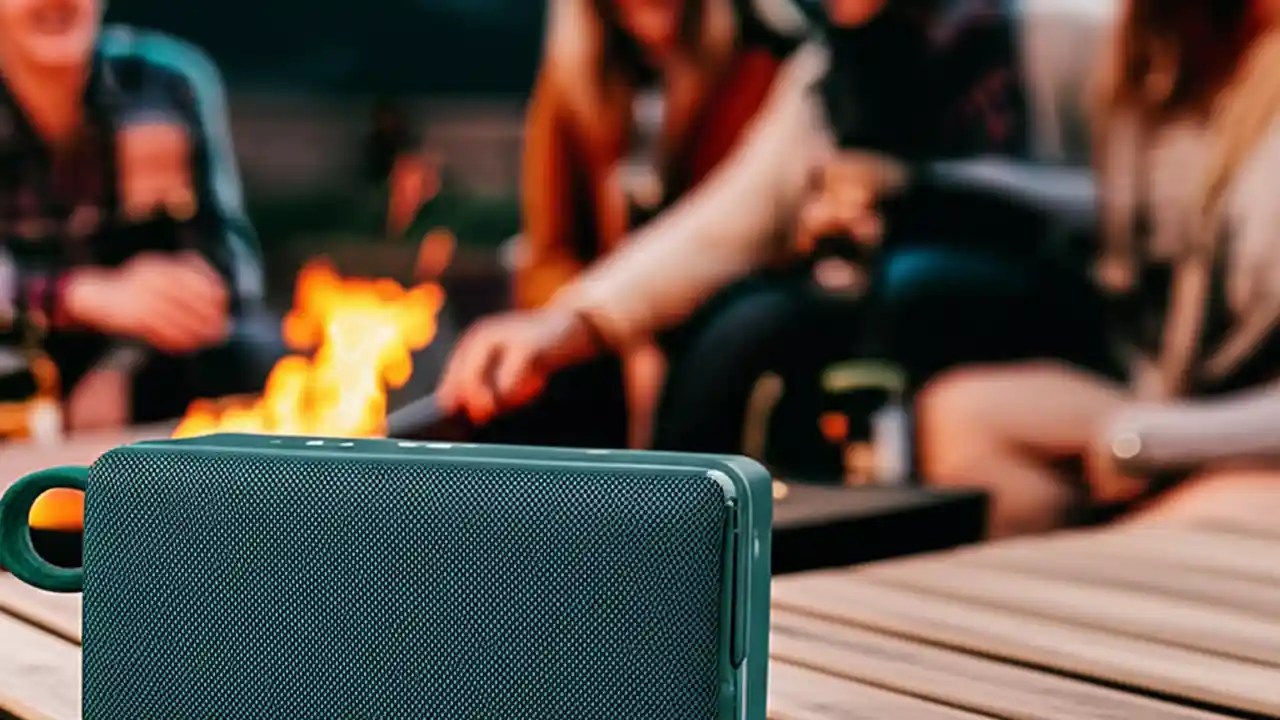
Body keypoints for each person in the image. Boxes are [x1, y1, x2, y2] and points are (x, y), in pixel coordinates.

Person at [436, 0, 1116, 448]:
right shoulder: (832, 74)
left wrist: (932, 195)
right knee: (739, 336)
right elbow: (724, 224)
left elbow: (1131, 214)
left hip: (1073, 323)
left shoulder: (1051, 40)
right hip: (892, 314)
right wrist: (568, 323)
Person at [919, 0, 1280, 537]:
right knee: (962, 414)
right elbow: (1141, 227)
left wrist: (1148, 441)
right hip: (1181, 398)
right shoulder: (1153, 64)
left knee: (1171, 530)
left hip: (1253, 436)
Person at [0, 0, 281, 433]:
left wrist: (123, 361)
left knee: (259, 354)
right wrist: (77, 294)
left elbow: (231, 270)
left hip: (142, 354)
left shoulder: (166, 84)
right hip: (16, 350)